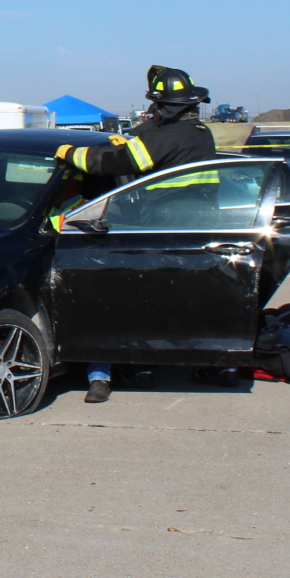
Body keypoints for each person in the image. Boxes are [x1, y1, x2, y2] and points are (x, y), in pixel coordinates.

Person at [53, 65, 220, 402]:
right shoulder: (200, 132)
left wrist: (71, 153)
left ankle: (118, 368)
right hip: (196, 232)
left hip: (160, 232)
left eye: (155, 107)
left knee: (128, 299)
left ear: (163, 106)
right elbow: (157, 138)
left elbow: (114, 163)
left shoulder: (165, 137)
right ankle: (208, 364)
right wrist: (136, 135)